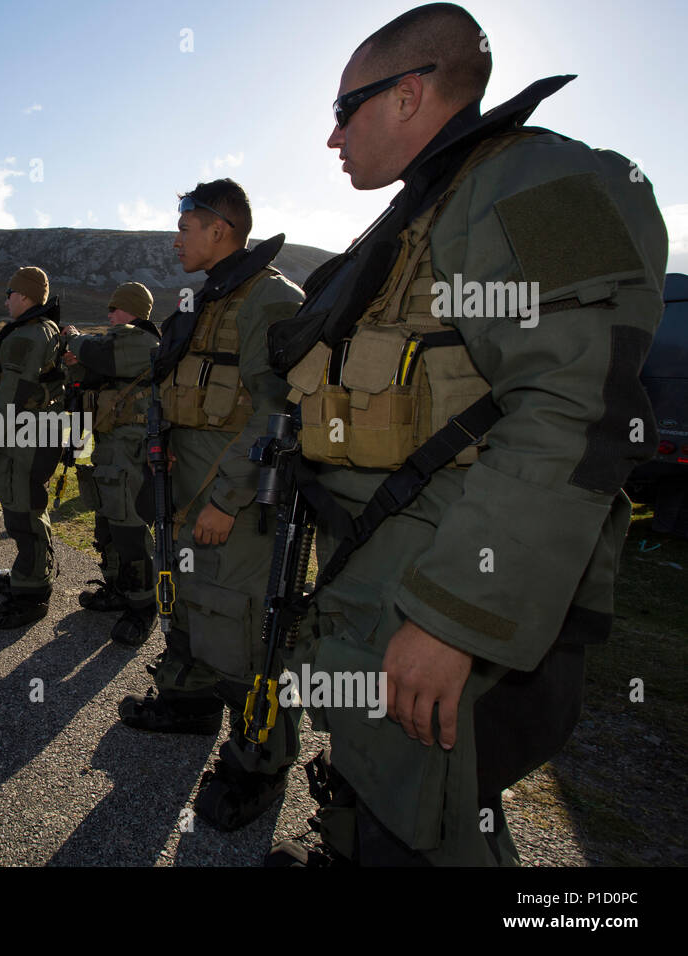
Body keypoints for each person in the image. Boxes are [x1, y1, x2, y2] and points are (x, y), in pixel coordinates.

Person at [267, 2, 667, 865]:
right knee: (382, 796)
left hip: (442, 584)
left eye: (345, 110)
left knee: (429, 830)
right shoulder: (427, 210)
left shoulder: (530, 182)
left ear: (409, 95)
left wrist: (456, 618)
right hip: (381, 575)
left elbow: (576, 406)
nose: (332, 139)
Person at [116, 179, 306, 832]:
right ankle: (191, 702)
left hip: (233, 509)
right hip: (181, 500)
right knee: (190, 610)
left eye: (186, 228)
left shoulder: (271, 300)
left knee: (247, 633)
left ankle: (261, 761)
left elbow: (280, 409)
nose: (176, 240)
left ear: (221, 228)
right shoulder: (204, 299)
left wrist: (227, 500)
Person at [61, 282, 160, 646]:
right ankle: (119, 589)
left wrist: (73, 339)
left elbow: (97, 352)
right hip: (108, 449)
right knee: (107, 525)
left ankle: (143, 606)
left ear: (133, 310)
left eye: (115, 308)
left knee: (131, 532)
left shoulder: (141, 340)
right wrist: (76, 367)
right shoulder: (120, 346)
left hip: (131, 453)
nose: (109, 313)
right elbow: (93, 377)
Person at [0, 268, 65, 629]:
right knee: (26, 505)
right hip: (38, 430)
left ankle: (33, 591)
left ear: (25, 296)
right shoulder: (47, 328)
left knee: (21, 511)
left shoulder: (27, 334)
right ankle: (31, 573)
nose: (6, 298)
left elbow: (13, 395)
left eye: (10, 292)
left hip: (24, 433)